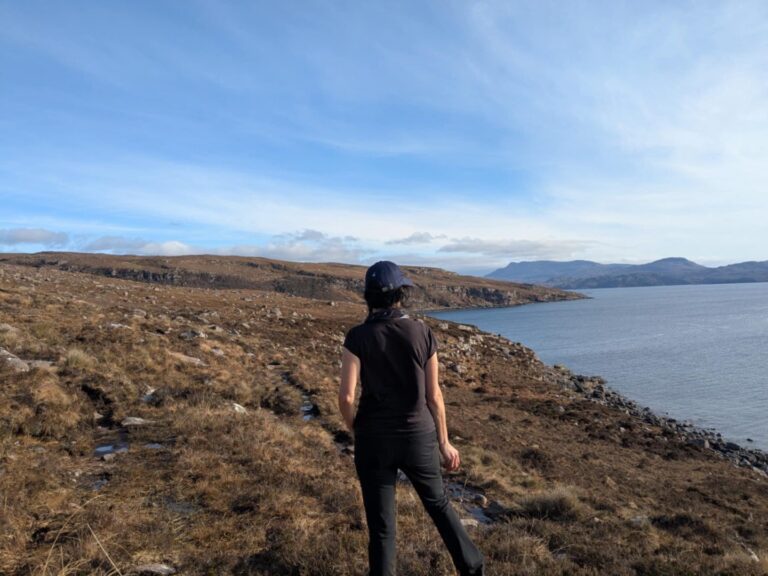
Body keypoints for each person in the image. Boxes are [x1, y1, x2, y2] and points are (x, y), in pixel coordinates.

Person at [338, 260, 485, 576]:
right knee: (439, 505)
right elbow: (434, 396)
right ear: (400, 294)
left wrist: (355, 428)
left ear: (369, 296)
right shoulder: (422, 332)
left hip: (373, 440)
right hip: (418, 438)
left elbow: (347, 397)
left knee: (381, 526)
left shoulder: (357, 337)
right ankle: (472, 568)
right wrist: (444, 443)